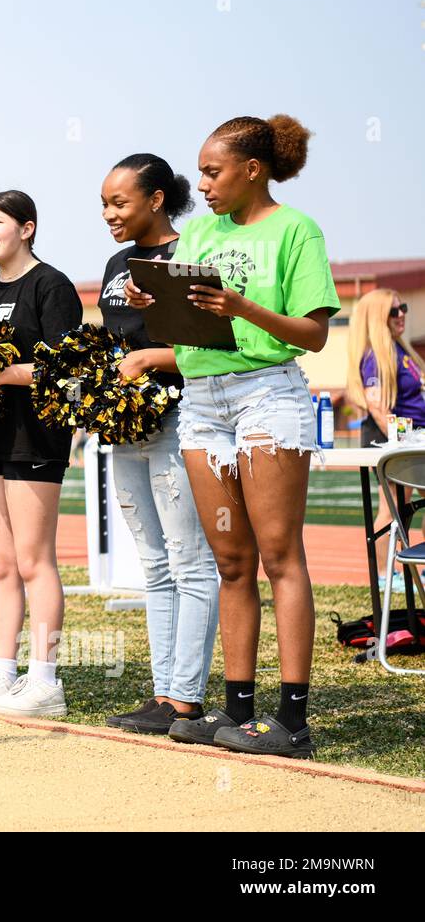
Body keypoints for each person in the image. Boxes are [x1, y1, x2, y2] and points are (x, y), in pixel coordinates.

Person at [128, 115, 338, 758]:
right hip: (202, 402)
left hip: (267, 395)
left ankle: (292, 721)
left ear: (253, 170)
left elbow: (313, 334)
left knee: (281, 557)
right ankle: (238, 710)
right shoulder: (200, 231)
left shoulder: (296, 228)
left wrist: (242, 308)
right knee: (231, 562)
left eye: (214, 172)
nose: (204, 184)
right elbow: (193, 321)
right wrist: (155, 307)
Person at [95, 153, 220, 735]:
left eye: (120, 203)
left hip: (182, 421)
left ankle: (188, 698)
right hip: (128, 429)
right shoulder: (119, 263)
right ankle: (163, 694)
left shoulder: (191, 252)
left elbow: (213, 344)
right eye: (104, 204)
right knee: (154, 564)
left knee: (191, 560)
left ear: (156, 200)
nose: (109, 214)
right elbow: (114, 347)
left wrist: (152, 360)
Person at [0, 190, 81, 717]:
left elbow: (67, 367)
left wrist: (0, 375)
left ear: (26, 228)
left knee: (33, 560)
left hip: (36, 435)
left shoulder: (52, 286)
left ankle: (45, 682)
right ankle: (3, 675)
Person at [346, 288, 425, 582]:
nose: (402, 314)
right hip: (399, 443)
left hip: (414, 439)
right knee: (392, 510)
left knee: (403, 511)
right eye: (394, 311)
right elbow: (378, 408)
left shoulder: (400, 349)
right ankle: (383, 574)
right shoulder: (376, 357)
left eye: (402, 307)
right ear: (378, 318)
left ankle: (407, 567)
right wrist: (404, 442)